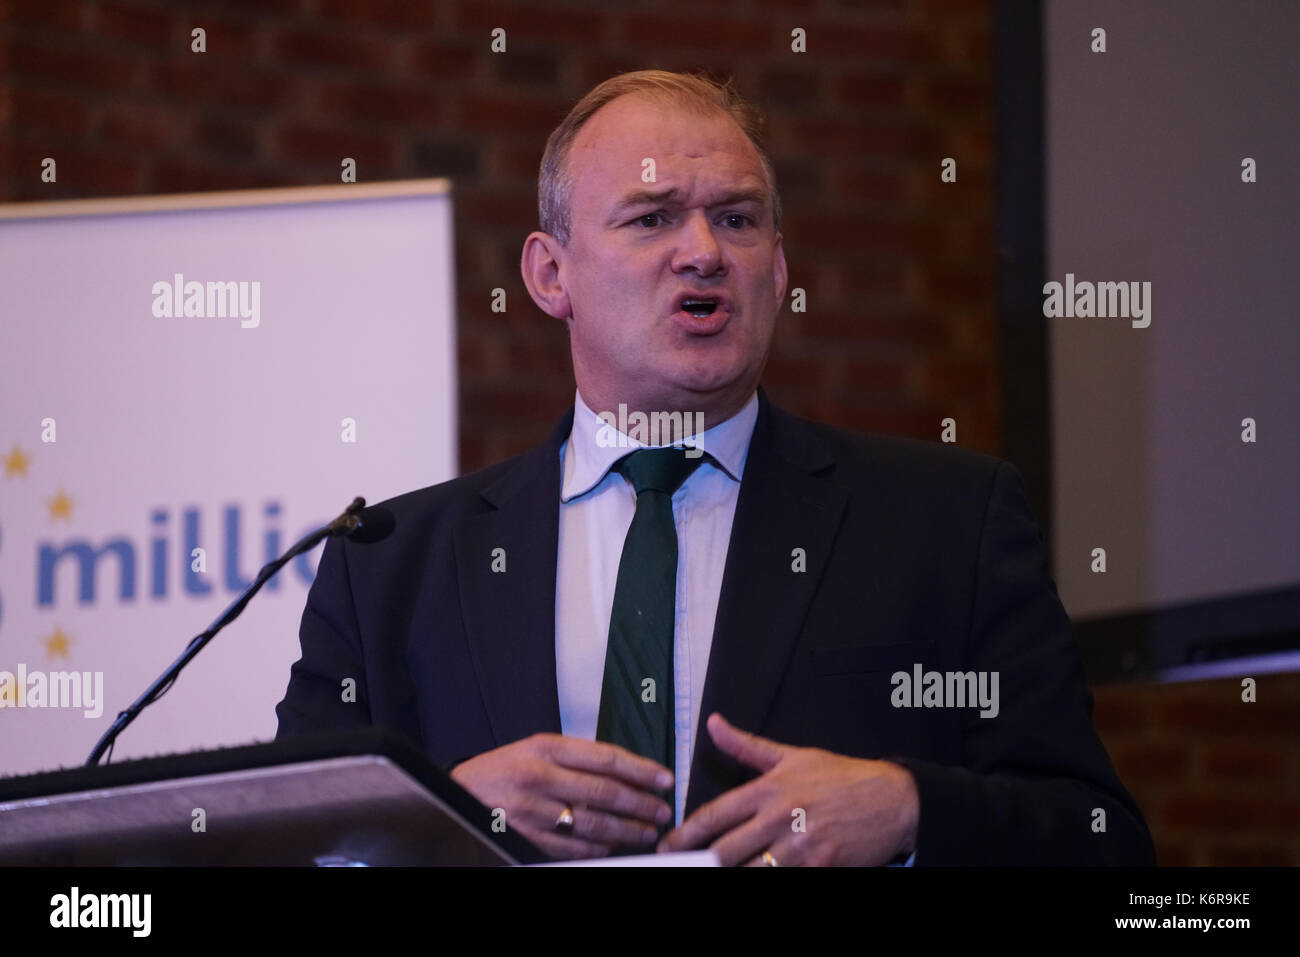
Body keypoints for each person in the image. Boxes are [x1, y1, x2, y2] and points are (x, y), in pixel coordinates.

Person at [276, 69, 1155, 866]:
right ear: (551, 276)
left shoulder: (947, 524)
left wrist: (912, 808)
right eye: (652, 217)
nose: (703, 251)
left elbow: (1101, 839)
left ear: (776, 268)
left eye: (736, 219)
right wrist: (445, 815)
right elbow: (276, 845)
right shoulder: (388, 562)